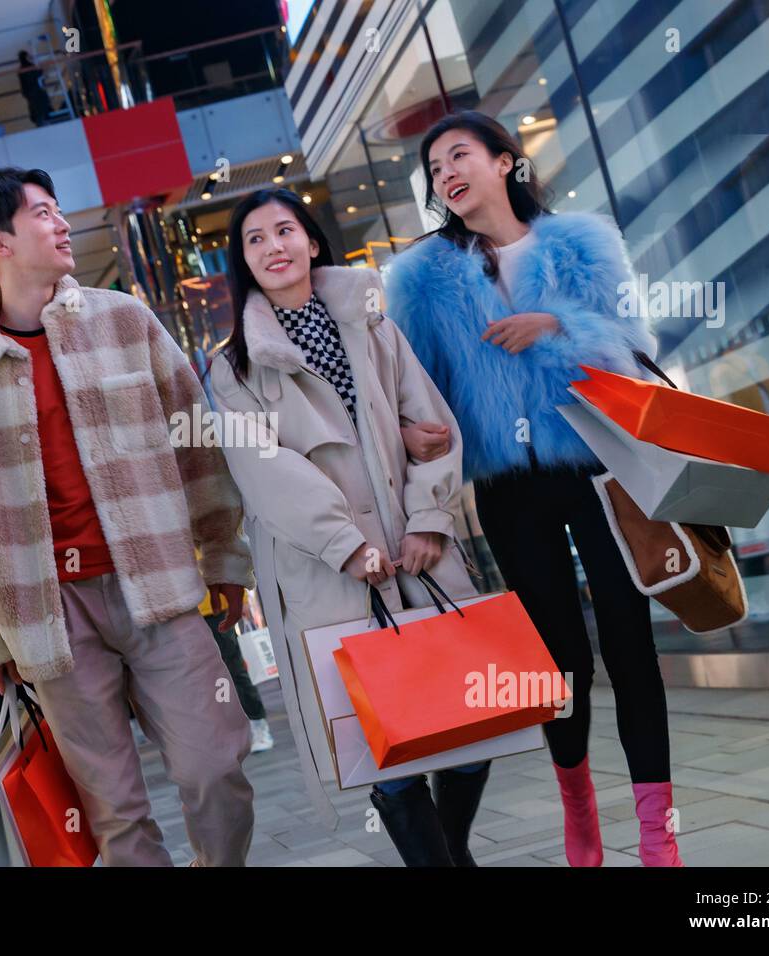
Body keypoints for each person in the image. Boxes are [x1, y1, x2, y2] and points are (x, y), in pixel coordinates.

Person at [0, 166, 256, 866]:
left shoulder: (124, 321)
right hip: (49, 615)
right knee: (116, 814)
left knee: (215, 767)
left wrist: (222, 554)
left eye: (59, 210)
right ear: (0, 242)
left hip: (158, 589)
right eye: (42, 214)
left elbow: (196, 445)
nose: (62, 223)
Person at [385, 110, 683, 867]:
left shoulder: (583, 243)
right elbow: (414, 388)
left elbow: (636, 350)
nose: (446, 173)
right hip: (509, 487)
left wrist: (557, 325)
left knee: (629, 635)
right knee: (558, 660)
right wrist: (418, 433)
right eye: (435, 167)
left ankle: (657, 836)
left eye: (460, 155)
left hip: (599, 465)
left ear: (505, 162)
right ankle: (580, 817)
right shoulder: (420, 278)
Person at [208, 187, 490, 867]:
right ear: (244, 263)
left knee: (471, 738)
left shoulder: (372, 326)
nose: (274, 247)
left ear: (311, 241)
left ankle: (448, 853)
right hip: (328, 575)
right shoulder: (234, 364)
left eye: (285, 231)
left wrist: (429, 518)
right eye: (255, 240)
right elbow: (266, 471)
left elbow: (433, 425)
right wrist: (346, 544)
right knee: (385, 755)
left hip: (418, 557)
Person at [198, 585, 272, 753]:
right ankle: (228, 729)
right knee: (208, 677)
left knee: (234, 669)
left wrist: (242, 600)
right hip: (182, 614)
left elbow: (227, 560)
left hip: (213, 607)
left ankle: (258, 723)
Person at [18, 51, 52, 127]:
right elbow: (39, 73)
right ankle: (45, 122)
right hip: (37, 92)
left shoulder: (21, 70)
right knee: (41, 110)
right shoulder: (30, 67)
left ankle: (42, 122)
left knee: (37, 111)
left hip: (31, 94)